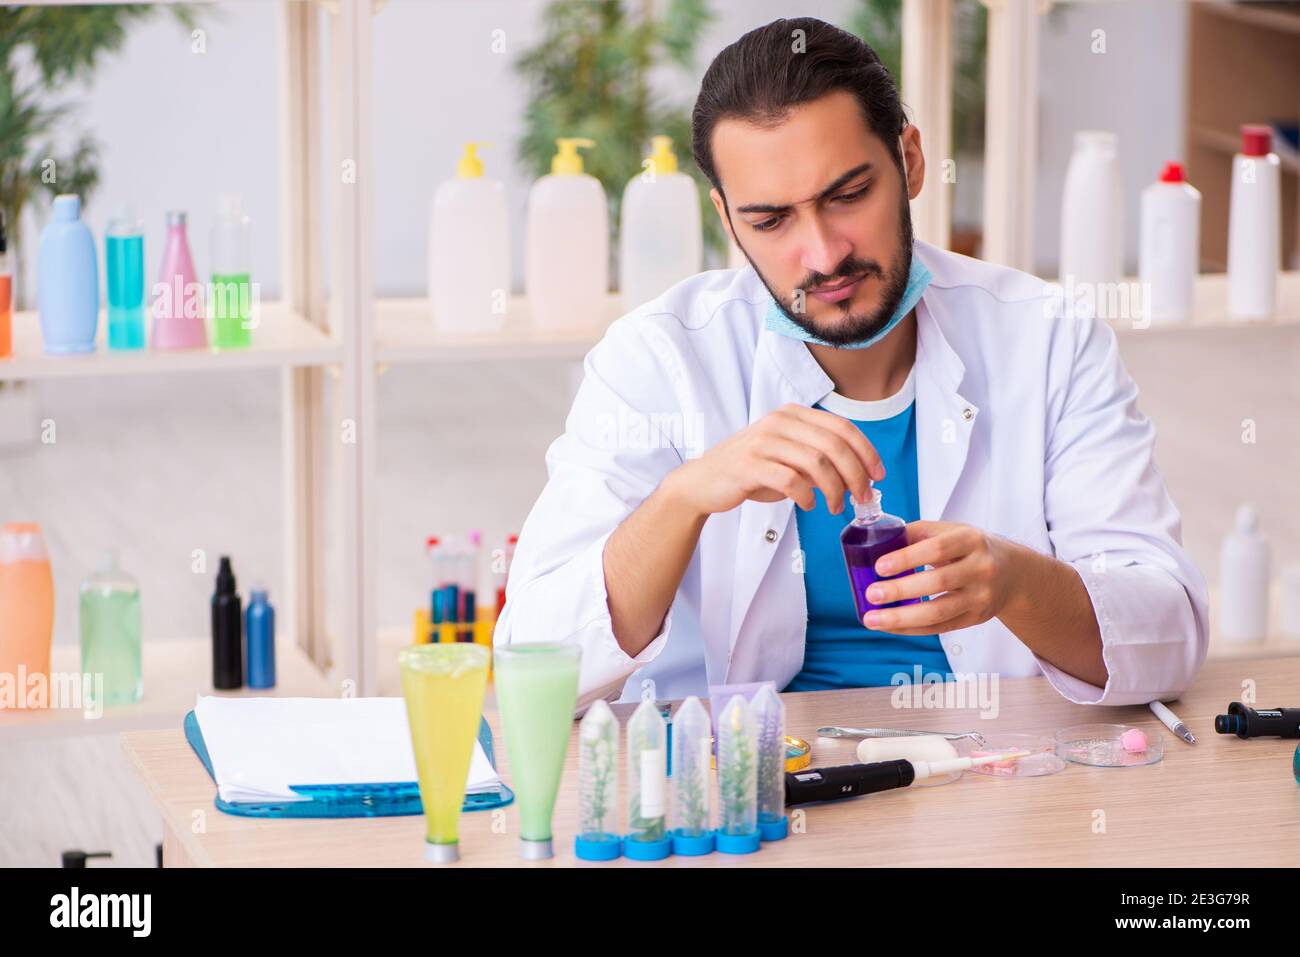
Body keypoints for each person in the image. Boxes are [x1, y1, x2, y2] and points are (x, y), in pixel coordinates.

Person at [494, 17, 1207, 710]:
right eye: (771, 221)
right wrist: (685, 495)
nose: (825, 254)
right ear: (726, 218)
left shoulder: (1046, 338)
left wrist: (1015, 582)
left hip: (1001, 773)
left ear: (911, 160)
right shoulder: (656, 359)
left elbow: (1169, 635)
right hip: (761, 788)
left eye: (848, 195)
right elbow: (534, 661)